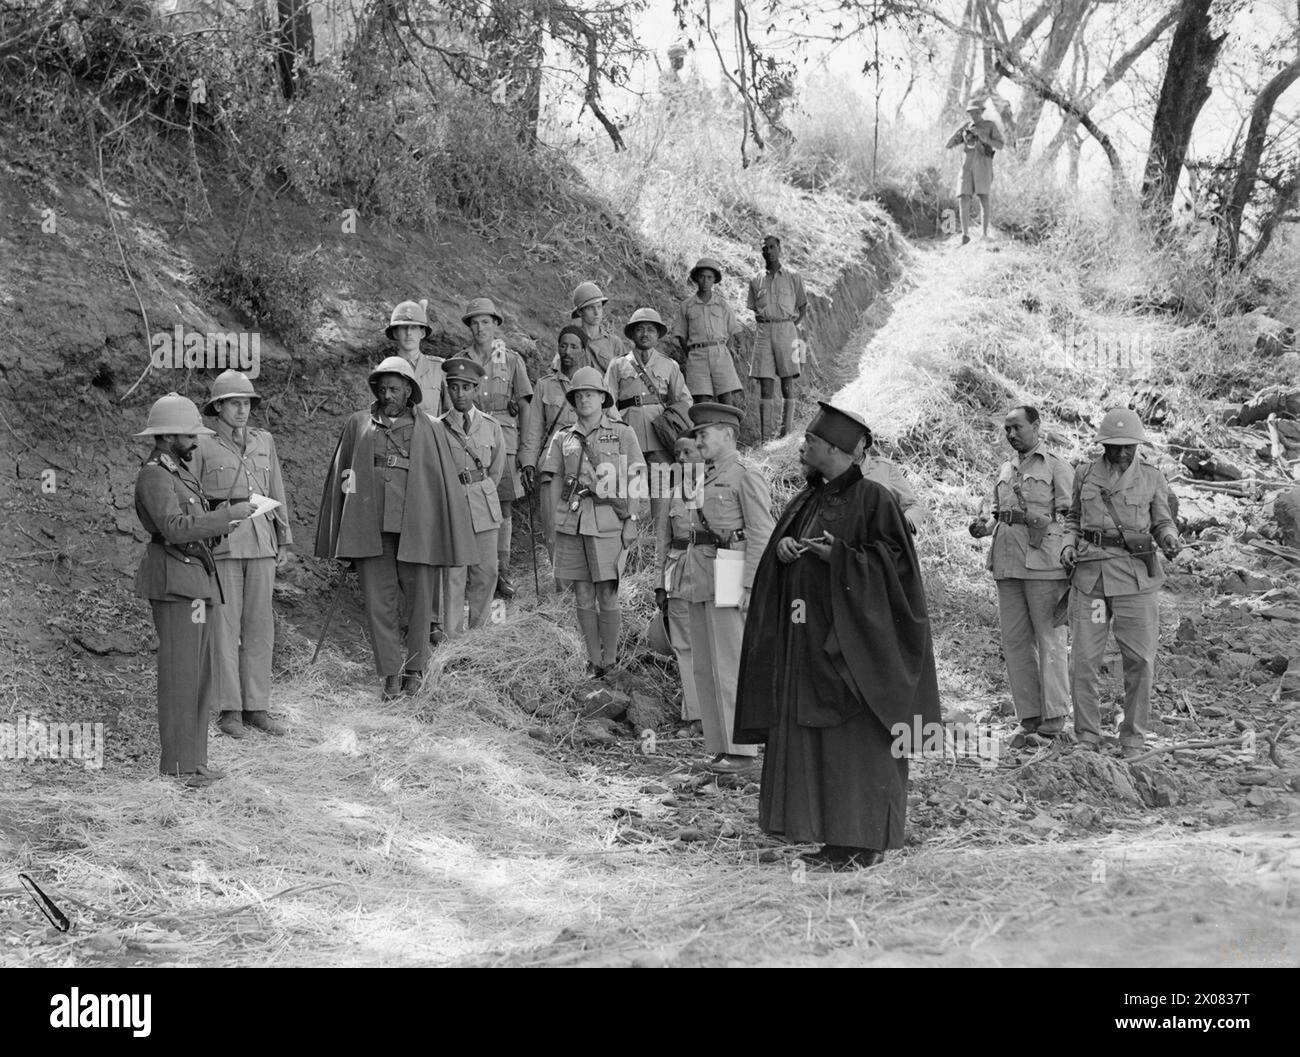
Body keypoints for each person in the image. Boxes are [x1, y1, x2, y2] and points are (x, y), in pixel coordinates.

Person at [735, 401, 941, 869]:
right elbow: (777, 562)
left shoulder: (875, 498)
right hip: (806, 648)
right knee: (818, 744)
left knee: (856, 744)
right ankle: (831, 839)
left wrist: (841, 557)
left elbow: (898, 572)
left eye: (809, 441)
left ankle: (863, 842)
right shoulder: (805, 501)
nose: (803, 447)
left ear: (834, 448)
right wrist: (784, 551)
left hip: (855, 656)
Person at [314, 357, 476, 699]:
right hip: (370, 527)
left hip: (415, 527)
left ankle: (415, 670)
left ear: (409, 391)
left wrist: (438, 530)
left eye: (395, 389)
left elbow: (441, 483)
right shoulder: (358, 424)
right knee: (379, 603)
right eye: (383, 388)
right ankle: (389, 673)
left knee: (420, 603)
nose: (388, 394)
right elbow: (345, 478)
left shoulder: (430, 427)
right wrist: (345, 530)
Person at [133, 393, 252, 787]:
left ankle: (195, 762)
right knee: (180, 677)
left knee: (199, 678)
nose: (196, 442)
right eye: (189, 435)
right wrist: (224, 517)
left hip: (195, 581)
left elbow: (193, 522)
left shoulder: (178, 470)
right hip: (175, 584)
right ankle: (178, 767)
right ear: (167, 437)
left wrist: (222, 522)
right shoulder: (155, 474)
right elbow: (174, 528)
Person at [661, 403, 774, 773]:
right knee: (706, 664)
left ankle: (742, 750)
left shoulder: (744, 476)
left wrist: (748, 584)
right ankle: (721, 745)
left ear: (727, 434)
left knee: (729, 663)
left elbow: (761, 533)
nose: (698, 440)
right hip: (701, 571)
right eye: (696, 434)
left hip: (729, 569)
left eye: (703, 433)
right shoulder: (704, 476)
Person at [1061, 408, 1180, 759]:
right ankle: (1087, 736)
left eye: (1129, 446)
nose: (1122, 453)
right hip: (1092, 580)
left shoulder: (1152, 478)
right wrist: (1068, 543)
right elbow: (1073, 518)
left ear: (1138, 445)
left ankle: (1133, 739)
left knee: (1140, 661)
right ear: (1103, 445)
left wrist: (1170, 538)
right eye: (1115, 447)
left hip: (1134, 582)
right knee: (1083, 660)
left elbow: (1163, 522)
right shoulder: (1084, 473)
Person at [190, 370, 292, 739]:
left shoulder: (264, 440)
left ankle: (257, 707)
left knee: (260, 629)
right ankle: (229, 710)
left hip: (262, 542)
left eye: (247, 402)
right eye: (235, 403)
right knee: (224, 629)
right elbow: (193, 497)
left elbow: (275, 486)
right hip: (224, 546)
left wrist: (284, 539)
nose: (242, 409)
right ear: (218, 406)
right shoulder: (201, 443)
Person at [968, 406, 1073, 747]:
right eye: (1007, 429)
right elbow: (997, 515)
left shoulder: (1057, 466)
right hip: (1008, 563)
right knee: (1015, 642)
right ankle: (1028, 717)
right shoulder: (1004, 469)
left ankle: (1054, 717)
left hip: (1045, 564)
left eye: (1017, 427)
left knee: (1050, 640)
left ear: (1036, 426)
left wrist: (1071, 554)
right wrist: (984, 527)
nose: (1011, 434)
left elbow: (1072, 517)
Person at [539, 366, 645, 676]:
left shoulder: (622, 432)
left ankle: (610, 660)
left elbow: (635, 477)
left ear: (602, 398)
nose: (585, 399)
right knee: (582, 592)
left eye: (591, 394)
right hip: (572, 519)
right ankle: (593, 660)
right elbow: (555, 481)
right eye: (579, 395)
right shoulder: (563, 437)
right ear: (572, 400)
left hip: (608, 518)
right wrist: (552, 527)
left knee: (607, 591)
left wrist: (632, 519)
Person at [462, 297, 534, 600]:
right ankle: (473, 570)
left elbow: (525, 405)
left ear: (495, 325)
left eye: (486, 322)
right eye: (475, 322)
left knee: (502, 506)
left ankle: (501, 570)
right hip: (470, 439)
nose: (480, 328)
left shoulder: (512, 359)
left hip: (504, 441)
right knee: (469, 503)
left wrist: (526, 451)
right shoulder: (460, 361)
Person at [604, 307, 690, 536]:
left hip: (660, 439)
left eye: (650, 329)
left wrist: (672, 422)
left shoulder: (669, 365)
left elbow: (683, 400)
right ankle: (628, 538)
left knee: (660, 492)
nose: (645, 334)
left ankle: (658, 540)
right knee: (628, 490)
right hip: (628, 438)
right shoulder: (618, 365)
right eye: (640, 329)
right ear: (632, 334)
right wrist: (618, 425)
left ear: (658, 335)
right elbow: (607, 399)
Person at [438, 357, 506, 633]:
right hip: (452, 505)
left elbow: (497, 470)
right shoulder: (437, 428)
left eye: (466, 388)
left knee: (486, 571)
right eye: (454, 387)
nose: (460, 394)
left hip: (484, 503)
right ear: (447, 389)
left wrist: (479, 488)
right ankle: (451, 637)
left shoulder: (491, 426)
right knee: (454, 572)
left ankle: (479, 634)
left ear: (476, 389)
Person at [520, 325, 585, 560]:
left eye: (574, 346)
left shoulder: (594, 384)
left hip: (584, 465)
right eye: (563, 345)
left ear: (583, 351)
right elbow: (534, 429)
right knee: (552, 528)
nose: (567, 351)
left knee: (581, 528)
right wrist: (528, 463)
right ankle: (561, 588)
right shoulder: (544, 385)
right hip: (552, 465)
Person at [657, 433, 705, 731]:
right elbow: (661, 542)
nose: (682, 458)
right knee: (684, 647)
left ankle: (720, 715)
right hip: (677, 576)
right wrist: (659, 584)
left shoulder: (716, 489)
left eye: (688, 452)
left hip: (709, 573)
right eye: (678, 453)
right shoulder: (671, 494)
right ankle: (696, 716)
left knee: (714, 645)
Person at [747, 235, 808, 441]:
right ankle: (766, 437)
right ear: (761, 251)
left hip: (786, 330)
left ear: (780, 249)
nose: (769, 251)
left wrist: (790, 326)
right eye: (765, 248)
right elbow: (754, 308)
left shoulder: (793, 276)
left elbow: (802, 306)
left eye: (772, 247)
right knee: (765, 383)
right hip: (764, 332)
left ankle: (786, 432)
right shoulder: (756, 280)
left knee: (787, 380)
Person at [669, 258, 743, 407]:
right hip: (697, 356)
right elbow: (681, 334)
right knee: (701, 403)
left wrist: (728, 348)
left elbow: (734, 330)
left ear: (714, 280)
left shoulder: (721, 305)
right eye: (702, 276)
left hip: (720, 355)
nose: (705, 281)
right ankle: (704, 430)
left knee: (726, 401)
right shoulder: (687, 306)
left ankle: (730, 430)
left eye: (709, 277)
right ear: (696, 278)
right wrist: (690, 353)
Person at [945, 98, 1004, 244]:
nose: (974, 115)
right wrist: (961, 131)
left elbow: (1001, 145)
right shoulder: (967, 127)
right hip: (967, 166)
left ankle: (984, 234)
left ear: (981, 112)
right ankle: (965, 235)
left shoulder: (990, 125)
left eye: (976, 112)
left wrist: (985, 139)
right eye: (971, 112)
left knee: (984, 198)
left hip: (983, 165)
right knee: (963, 197)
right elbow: (949, 144)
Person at [387, 299, 446, 416]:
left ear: (422, 333)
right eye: (404, 328)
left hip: (430, 433)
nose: (409, 333)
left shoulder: (439, 368)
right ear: (395, 333)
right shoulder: (385, 370)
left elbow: (451, 414)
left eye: (414, 328)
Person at [861, 447, 924, 533]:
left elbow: (912, 505)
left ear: (863, 441)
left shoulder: (884, 468)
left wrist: (900, 527)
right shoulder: (837, 473)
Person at [570, 282, 621, 373]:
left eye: (599, 307)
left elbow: (625, 378)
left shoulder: (614, 343)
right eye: (590, 308)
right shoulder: (570, 342)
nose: (596, 313)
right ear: (580, 312)